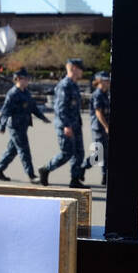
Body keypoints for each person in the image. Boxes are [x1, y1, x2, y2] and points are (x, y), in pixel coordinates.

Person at [0, 67, 51, 182]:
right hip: (15, 126)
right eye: (26, 79)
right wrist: (2, 126)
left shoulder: (26, 92)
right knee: (24, 150)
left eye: (28, 78)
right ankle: (31, 175)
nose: (28, 81)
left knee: (12, 150)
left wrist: (43, 118)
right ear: (18, 79)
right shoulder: (13, 94)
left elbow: (33, 108)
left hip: (23, 126)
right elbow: (5, 111)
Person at [38, 57, 86, 188]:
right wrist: (66, 125)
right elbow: (60, 108)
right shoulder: (64, 85)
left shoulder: (74, 85)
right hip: (66, 125)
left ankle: (75, 180)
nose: (82, 72)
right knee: (67, 153)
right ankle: (46, 169)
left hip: (75, 124)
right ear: (74, 68)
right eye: (80, 69)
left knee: (79, 153)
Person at [82, 71, 111, 186]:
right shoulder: (97, 94)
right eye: (105, 80)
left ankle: (105, 177)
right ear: (99, 81)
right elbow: (98, 113)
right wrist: (106, 126)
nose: (108, 82)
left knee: (106, 153)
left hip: (105, 127)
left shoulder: (105, 94)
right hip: (99, 128)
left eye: (108, 80)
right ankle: (82, 167)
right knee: (99, 154)